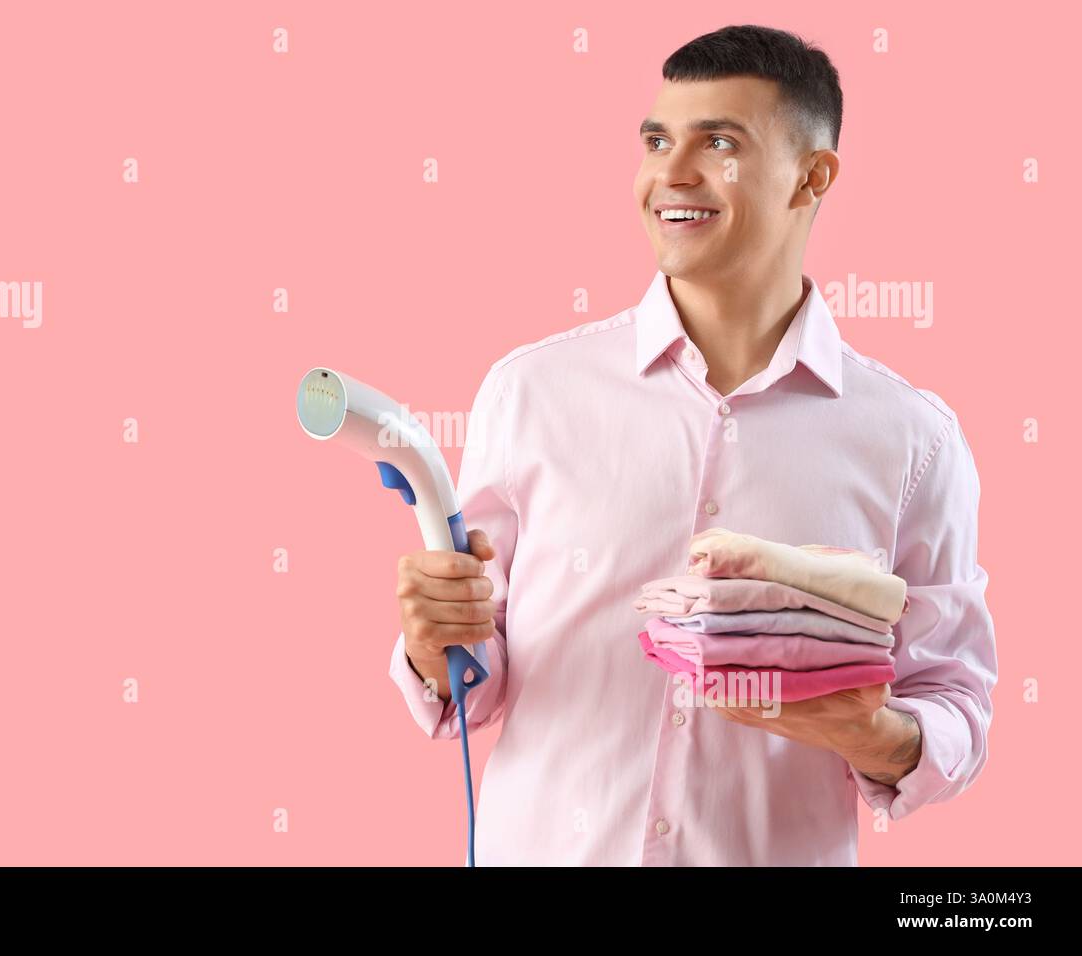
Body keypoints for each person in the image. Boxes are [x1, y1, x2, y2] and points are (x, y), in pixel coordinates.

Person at [389, 24, 997, 865]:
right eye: (656, 141)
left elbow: (954, 700)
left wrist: (873, 734)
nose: (670, 173)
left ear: (812, 177)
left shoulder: (913, 441)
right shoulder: (530, 393)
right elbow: (473, 677)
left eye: (718, 143)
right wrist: (434, 644)